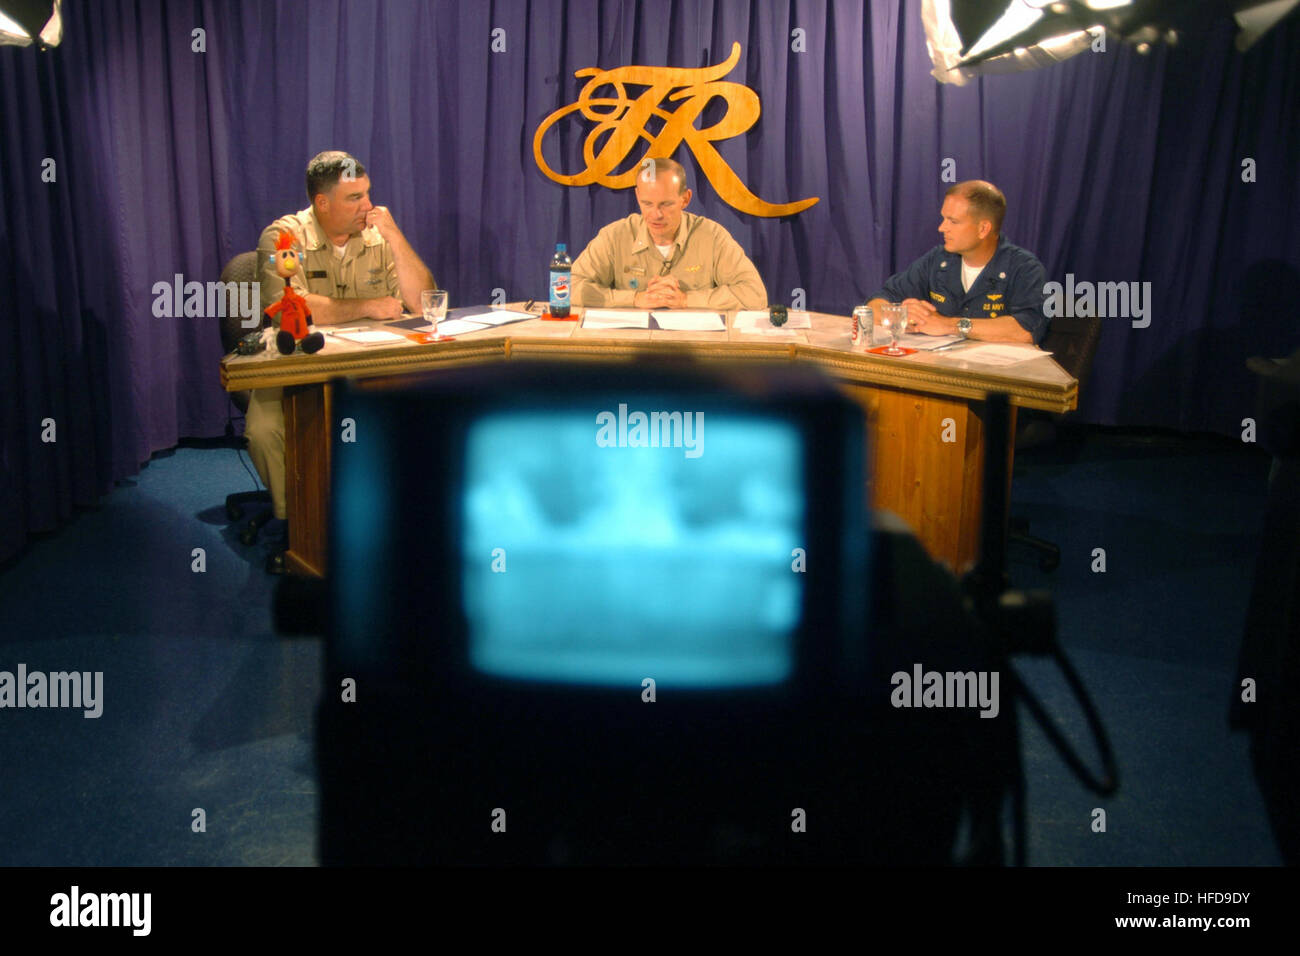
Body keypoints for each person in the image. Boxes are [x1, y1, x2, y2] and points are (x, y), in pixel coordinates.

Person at [245, 150, 436, 571]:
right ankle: (302, 528)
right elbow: (284, 303)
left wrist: (396, 236)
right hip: (298, 358)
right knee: (265, 429)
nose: (367, 207)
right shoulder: (282, 238)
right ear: (322, 203)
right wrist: (367, 306)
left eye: (367, 194)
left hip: (368, 360)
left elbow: (424, 302)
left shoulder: (377, 234)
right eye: (354, 198)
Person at [570, 157, 767, 311]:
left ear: (685, 198)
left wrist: (685, 300)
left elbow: (755, 294)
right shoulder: (614, 236)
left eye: (666, 204)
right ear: (638, 196)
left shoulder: (712, 236)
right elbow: (566, 288)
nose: (656, 214)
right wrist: (635, 299)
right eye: (647, 204)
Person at [866, 181, 1048, 345]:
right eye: (944, 218)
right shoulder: (938, 259)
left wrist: (949, 325)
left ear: (983, 228)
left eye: (953, 221)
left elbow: (1026, 330)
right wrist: (900, 314)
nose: (941, 227)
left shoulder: (1024, 268)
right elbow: (873, 306)